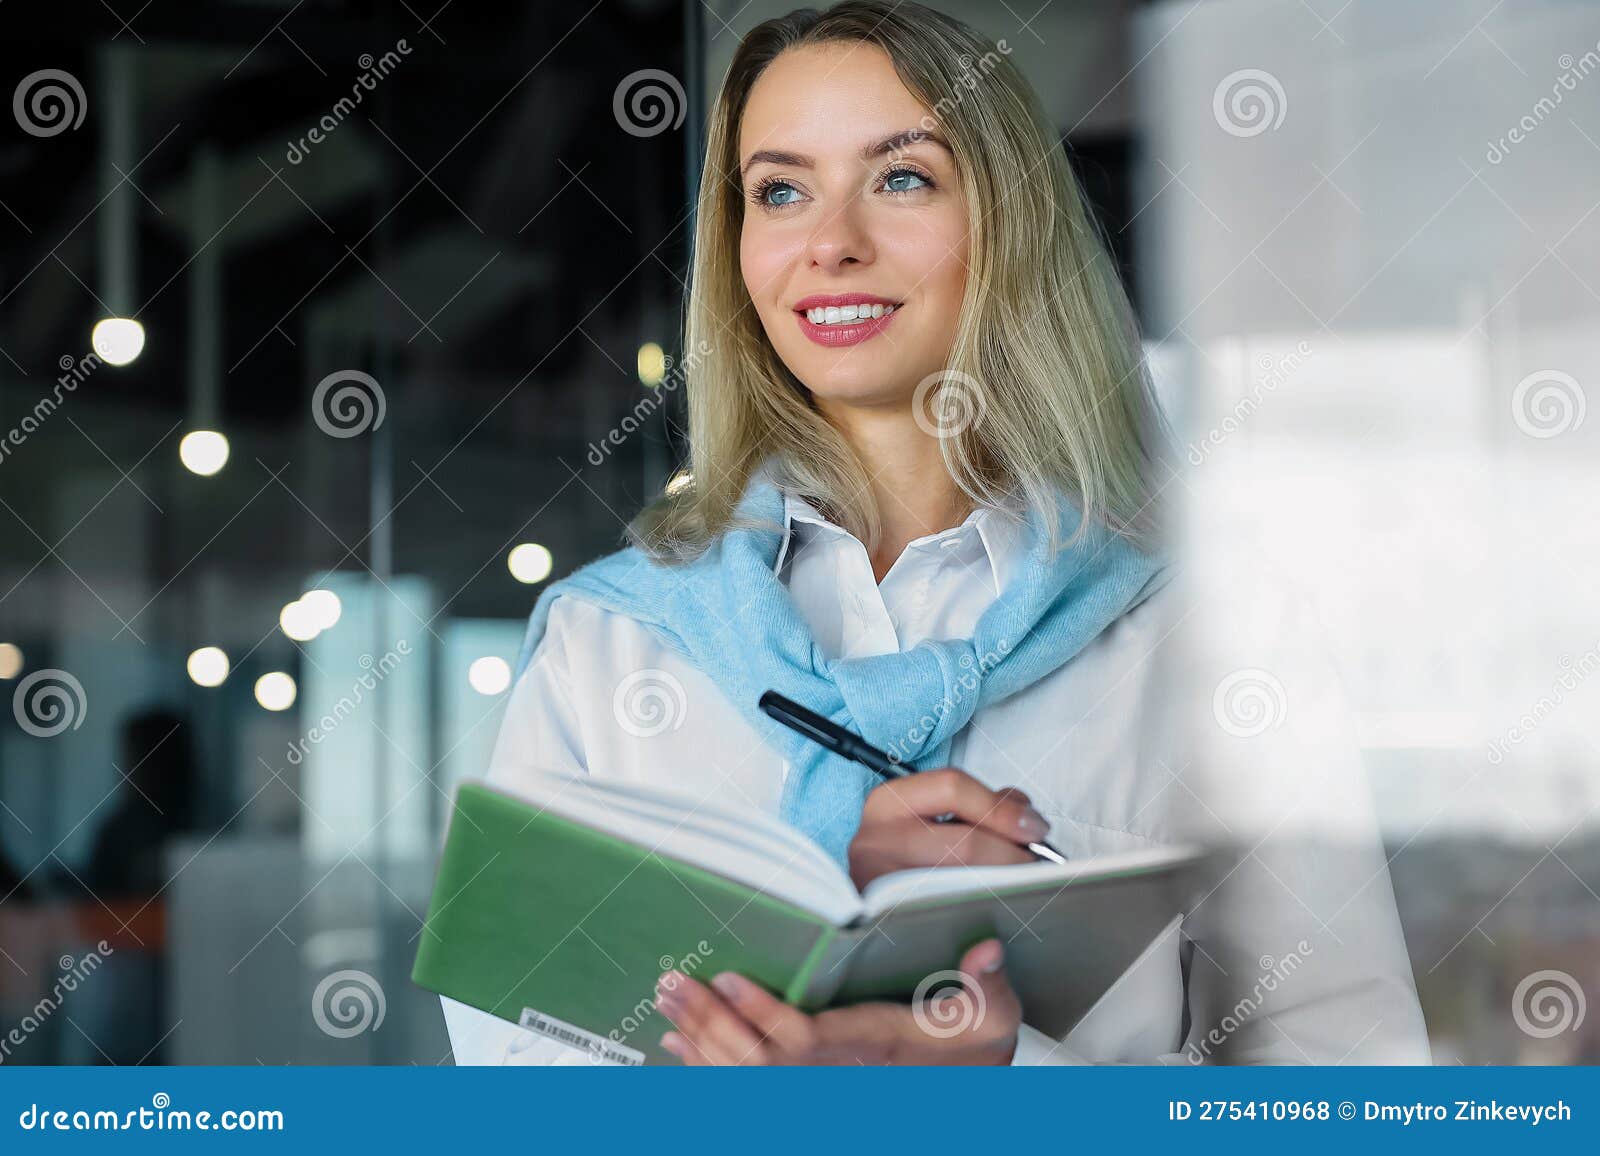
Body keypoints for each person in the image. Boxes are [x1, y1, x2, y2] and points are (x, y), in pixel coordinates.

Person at [443, 0, 1428, 1065]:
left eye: (901, 177)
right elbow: (514, 1088)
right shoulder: (606, 649)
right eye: (779, 191)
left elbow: (1352, 1092)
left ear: (1008, 223)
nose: (830, 243)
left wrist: (1011, 1085)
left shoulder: (1219, 645)